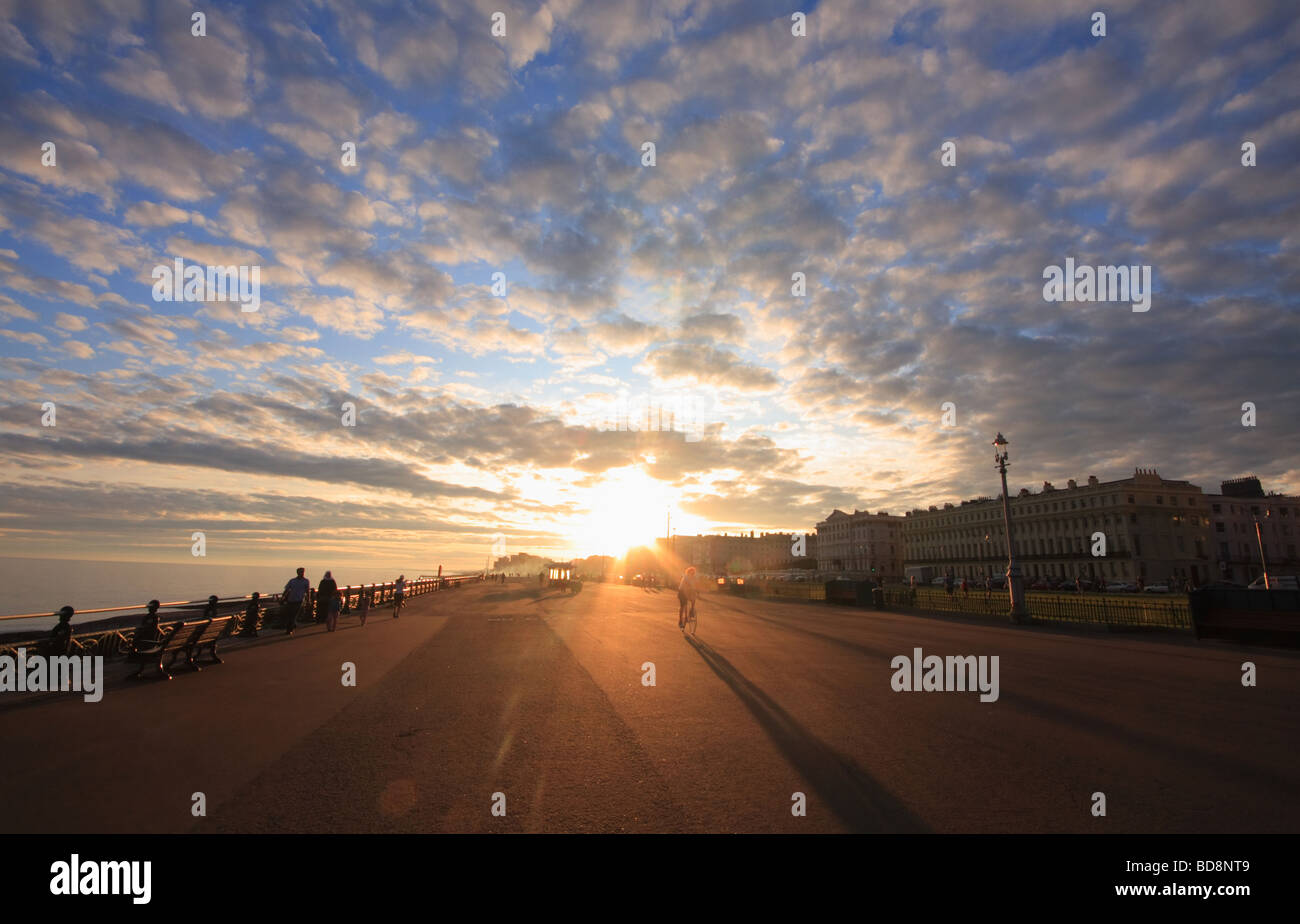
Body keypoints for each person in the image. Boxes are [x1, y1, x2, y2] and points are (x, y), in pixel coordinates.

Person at [282, 568, 310, 635]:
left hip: (299, 600)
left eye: (302, 572)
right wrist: (283, 598)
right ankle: (291, 626)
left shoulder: (306, 581)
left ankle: (289, 629)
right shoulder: (292, 581)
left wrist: (308, 600)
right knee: (289, 615)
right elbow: (287, 589)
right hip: (290, 600)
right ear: (297, 572)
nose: (302, 573)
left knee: (294, 615)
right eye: (300, 572)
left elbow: (307, 591)